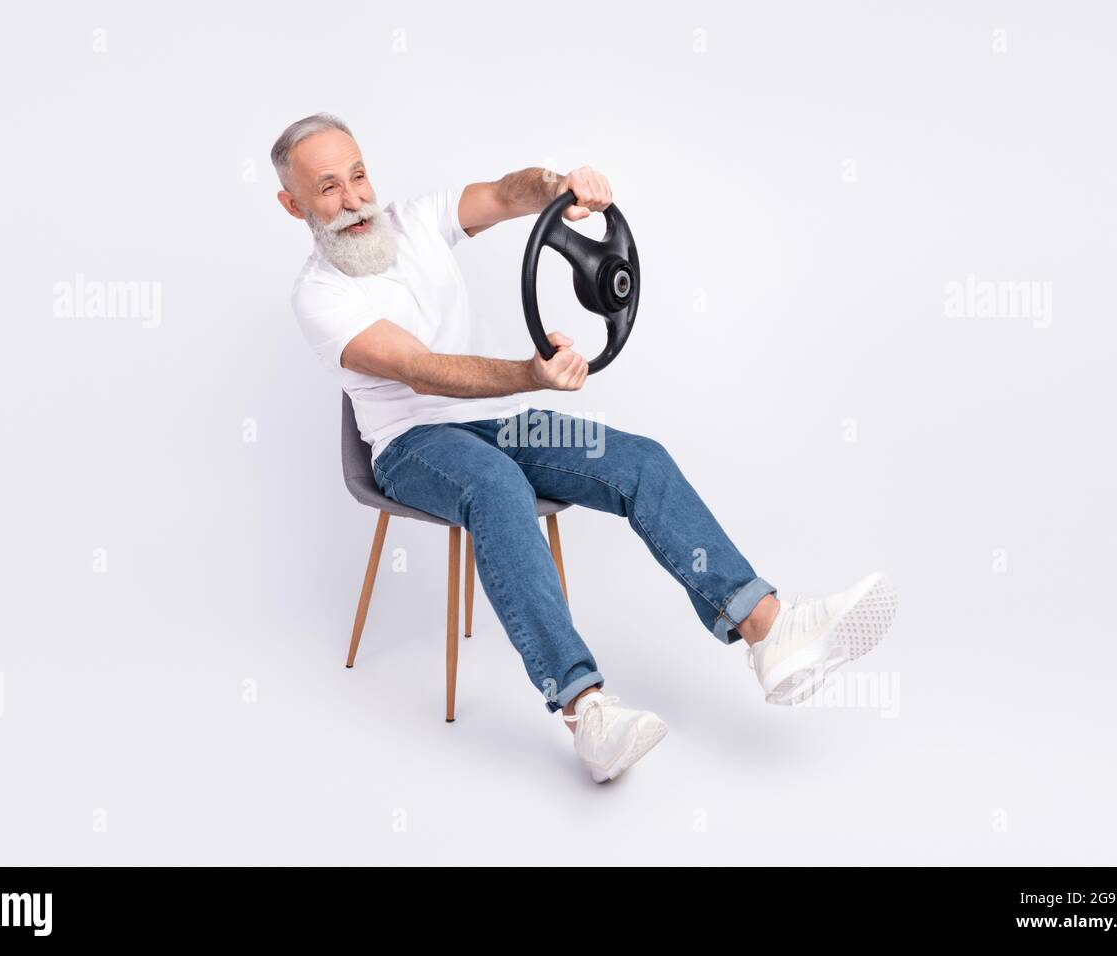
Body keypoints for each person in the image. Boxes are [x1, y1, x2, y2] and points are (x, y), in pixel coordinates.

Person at [273, 113, 898, 783]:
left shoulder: (417, 217)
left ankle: (768, 628)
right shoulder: (319, 295)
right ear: (294, 204)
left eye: (359, 174)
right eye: (329, 187)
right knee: (496, 487)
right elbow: (421, 371)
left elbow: (509, 194)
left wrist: (560, 187)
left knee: (637, 460)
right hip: (411, 445)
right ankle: (585, 711)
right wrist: (530, 372)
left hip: (502, 423)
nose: (353, 199)